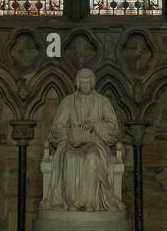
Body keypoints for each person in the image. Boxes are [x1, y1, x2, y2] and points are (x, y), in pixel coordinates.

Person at [42, 68, 122, 212]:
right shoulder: (68, 102)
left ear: (93, 83)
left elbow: (113, 129)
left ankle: (90, 202)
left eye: (88, 82)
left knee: (91, 157)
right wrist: (71, 134)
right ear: (77, 83)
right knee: (69, 158)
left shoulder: (102, 102)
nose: (85, 85)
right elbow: (56, 128)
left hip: (95, 143)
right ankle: (71, 202)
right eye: (82, 82)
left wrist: (95, 126)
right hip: (71, 144)